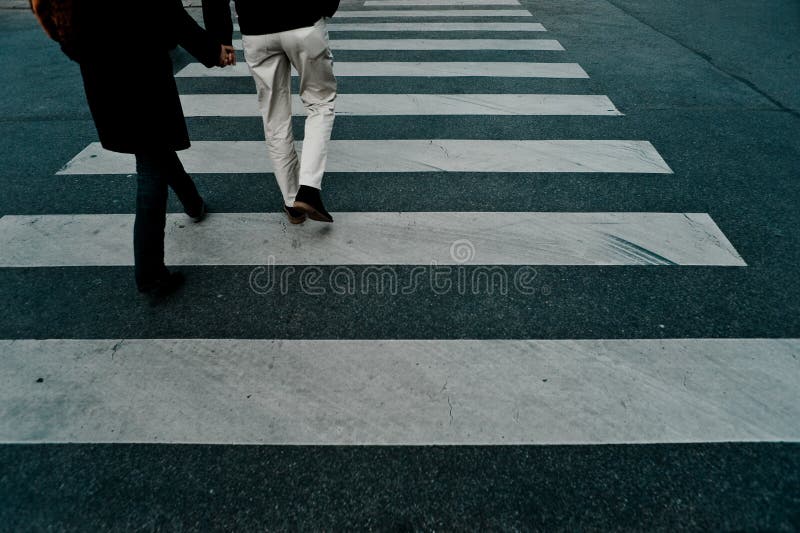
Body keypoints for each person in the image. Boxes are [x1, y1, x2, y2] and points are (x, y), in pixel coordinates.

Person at [31, 0, 236, 303]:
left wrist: (83, 52)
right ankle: (150, 273)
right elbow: (168, 12)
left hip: (101, 73)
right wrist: (212, 50)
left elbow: (50, 13)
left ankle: (193, 203)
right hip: (142, 67)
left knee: (153, 148)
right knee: (151, 161)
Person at [202, 1, 340, 224]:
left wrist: (220, 38)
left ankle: (292, 201)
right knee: (320, 103)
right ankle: (308, 189)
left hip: (256, 29)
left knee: (274, 115)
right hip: (303, 19)